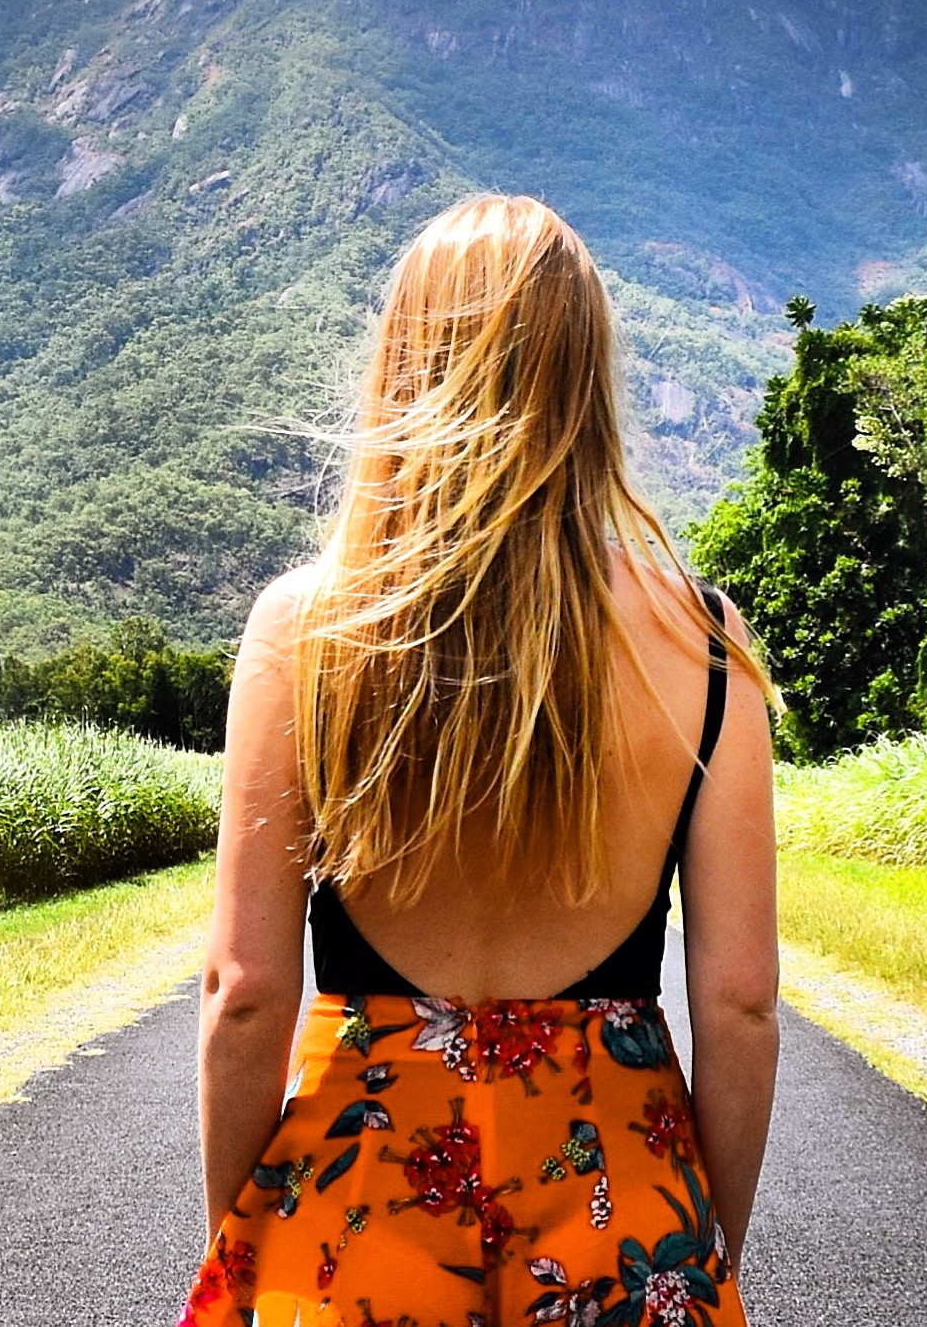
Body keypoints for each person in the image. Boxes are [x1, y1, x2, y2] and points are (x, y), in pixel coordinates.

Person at [182, 195, 780, 1326]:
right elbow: (741, 1002)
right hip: (622, 1201)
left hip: (352, 1218)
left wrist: (243, 1245)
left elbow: (245, 993)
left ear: (404, 362)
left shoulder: (307, 629)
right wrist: (706, 1252)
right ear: (586, 376)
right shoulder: (700, 639)